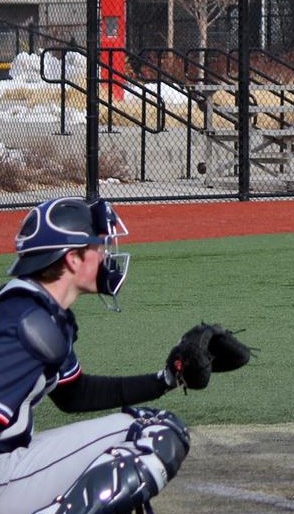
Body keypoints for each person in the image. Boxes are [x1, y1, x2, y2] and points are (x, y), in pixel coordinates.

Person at [0, 197, 193, 514]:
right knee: (156, 433)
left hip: (11, 464)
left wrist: (167, 378)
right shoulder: (26, 323)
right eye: (97, 247)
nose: (105, 256)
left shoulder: (36, 310)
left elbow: (75, 394)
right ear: (73, 259)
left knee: (121, 468)